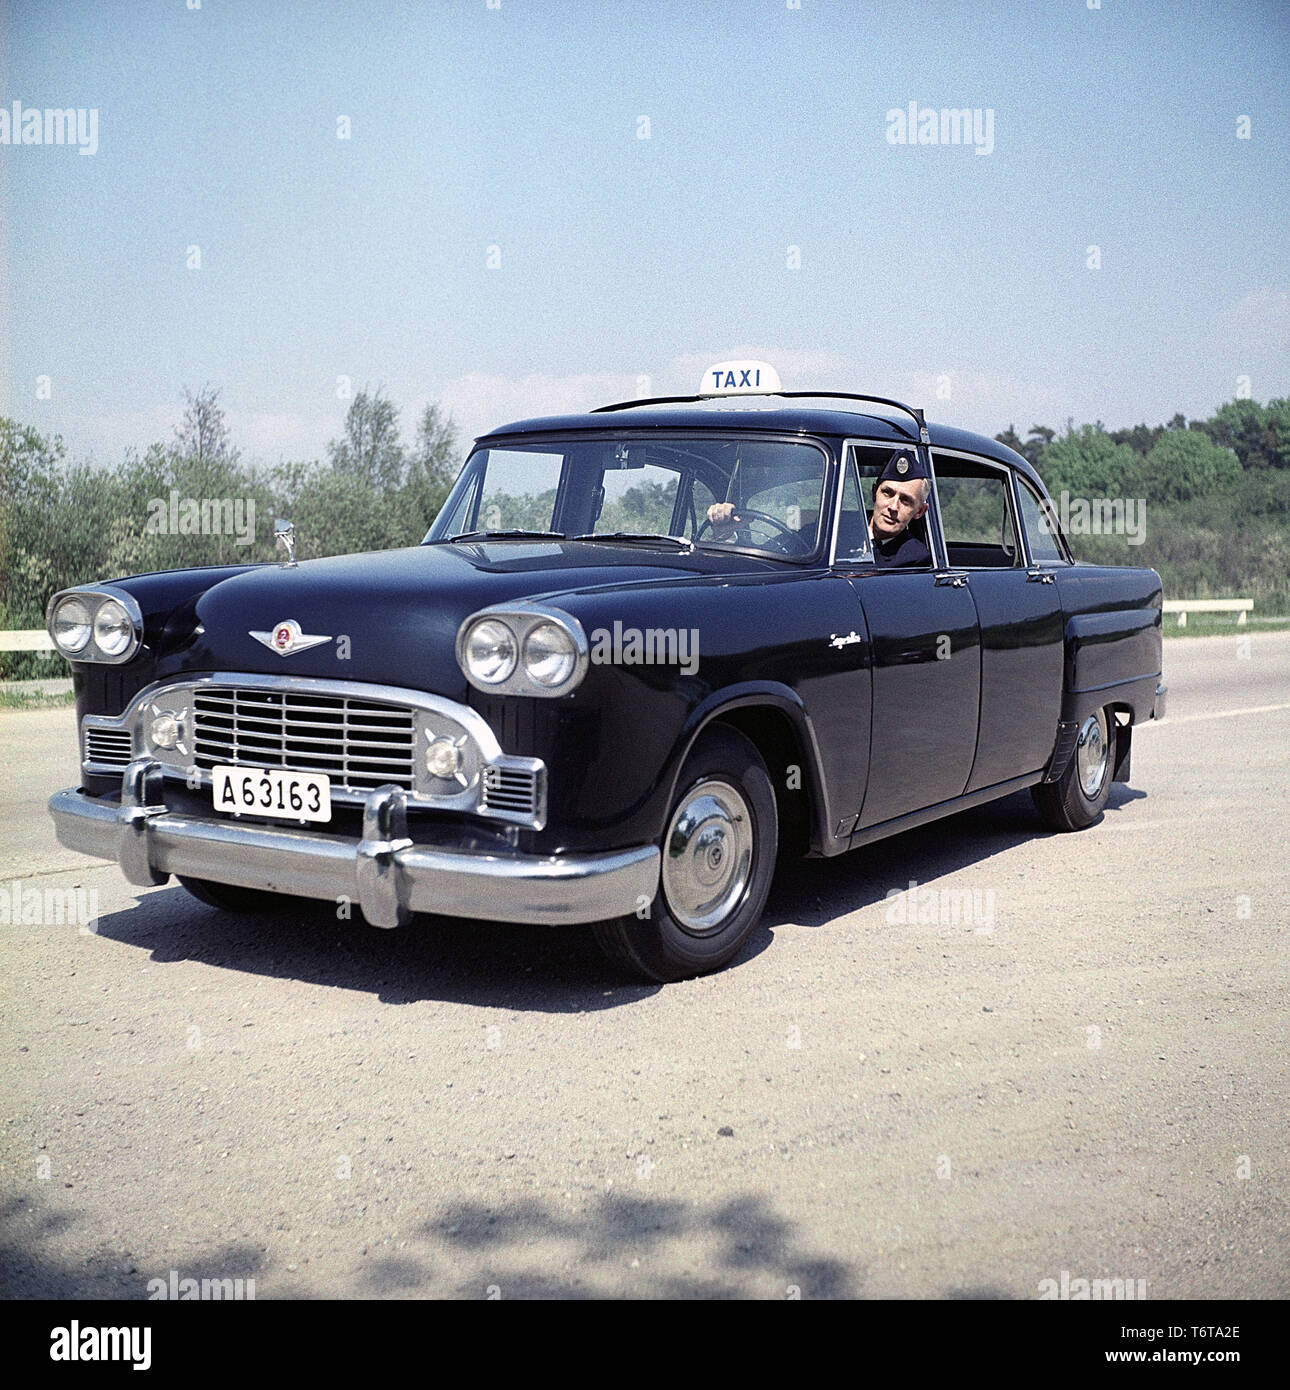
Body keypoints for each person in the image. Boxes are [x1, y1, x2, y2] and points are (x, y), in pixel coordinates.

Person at [704, 449, 933, 567]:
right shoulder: (832, 526)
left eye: (905, 501)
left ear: (919, 511)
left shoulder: (914, 557)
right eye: (888, 493)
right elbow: (776, 556)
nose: (893, 506)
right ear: (875, 493)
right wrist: (727, 536)